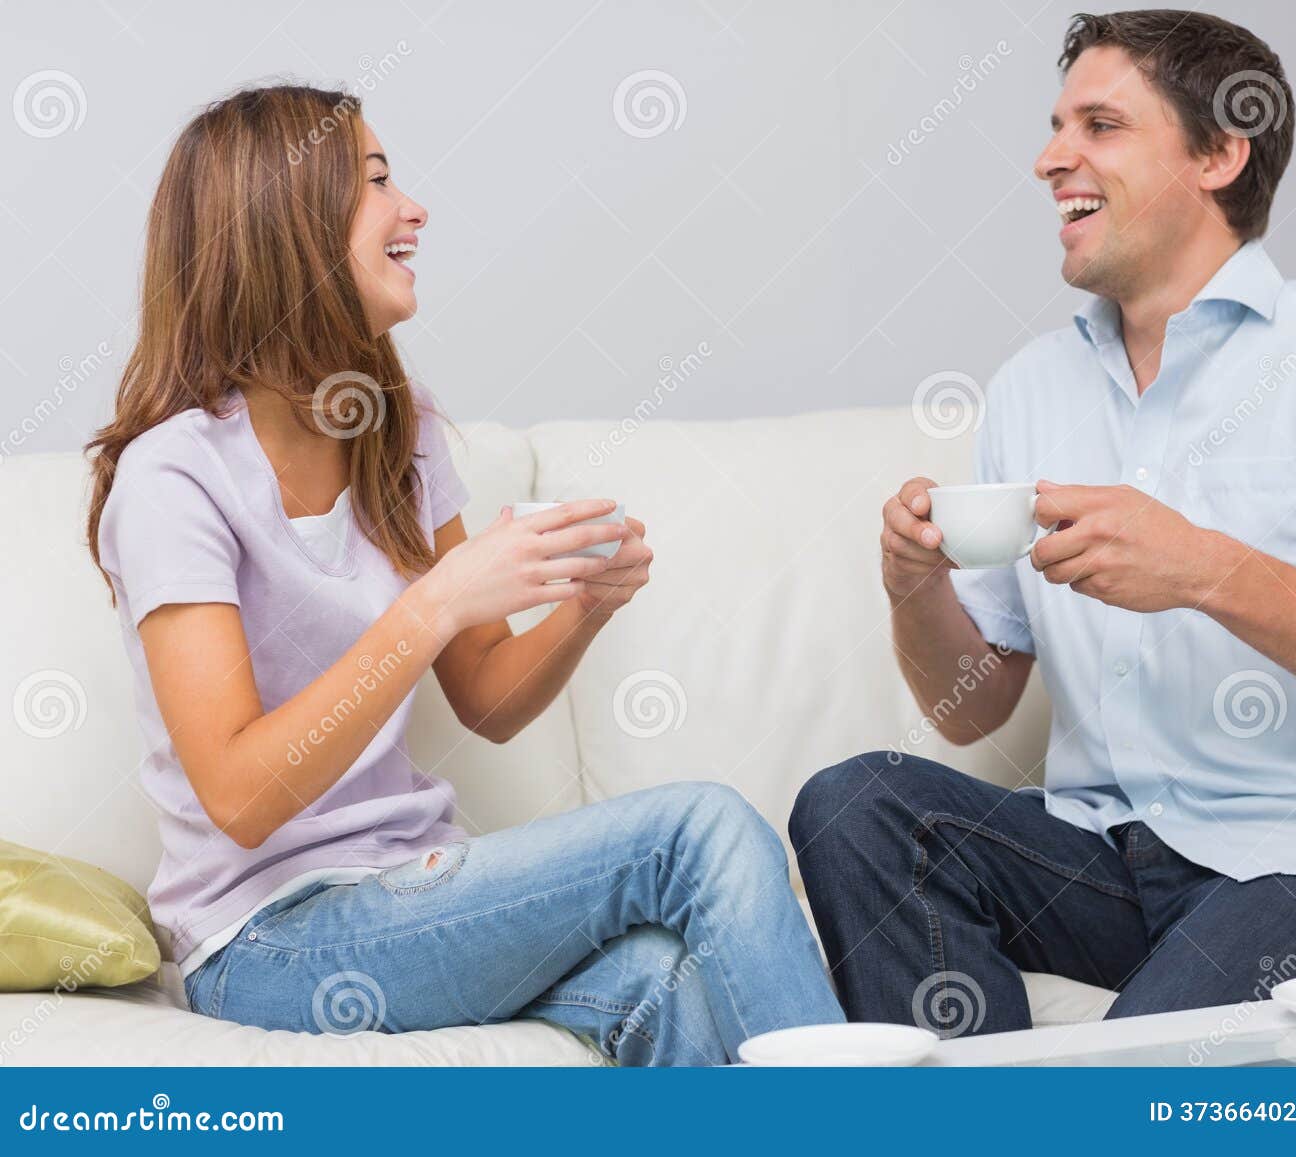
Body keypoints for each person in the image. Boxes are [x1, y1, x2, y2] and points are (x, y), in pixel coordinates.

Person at [85, 84, 841, 1065]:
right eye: (376, 182)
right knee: (699, 829)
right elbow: (238, 793)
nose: (414, 209)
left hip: (412, 886)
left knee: (667, 976)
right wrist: (433, 604)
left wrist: (582, 608)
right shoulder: (173, 478)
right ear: (287, 225)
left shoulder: (396, 430)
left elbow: (485, 695)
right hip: (265, 936)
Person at [789, 10, 1296, 1035]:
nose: (1050, 159)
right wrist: (914, 586)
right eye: (1055, 126)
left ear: (1218, 154)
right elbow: (973, 706)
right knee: (856, 804)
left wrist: (1207, 569)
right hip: (1107, 857)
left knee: (1126, 1081)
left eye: (1100, 125)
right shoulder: (1032, 387)